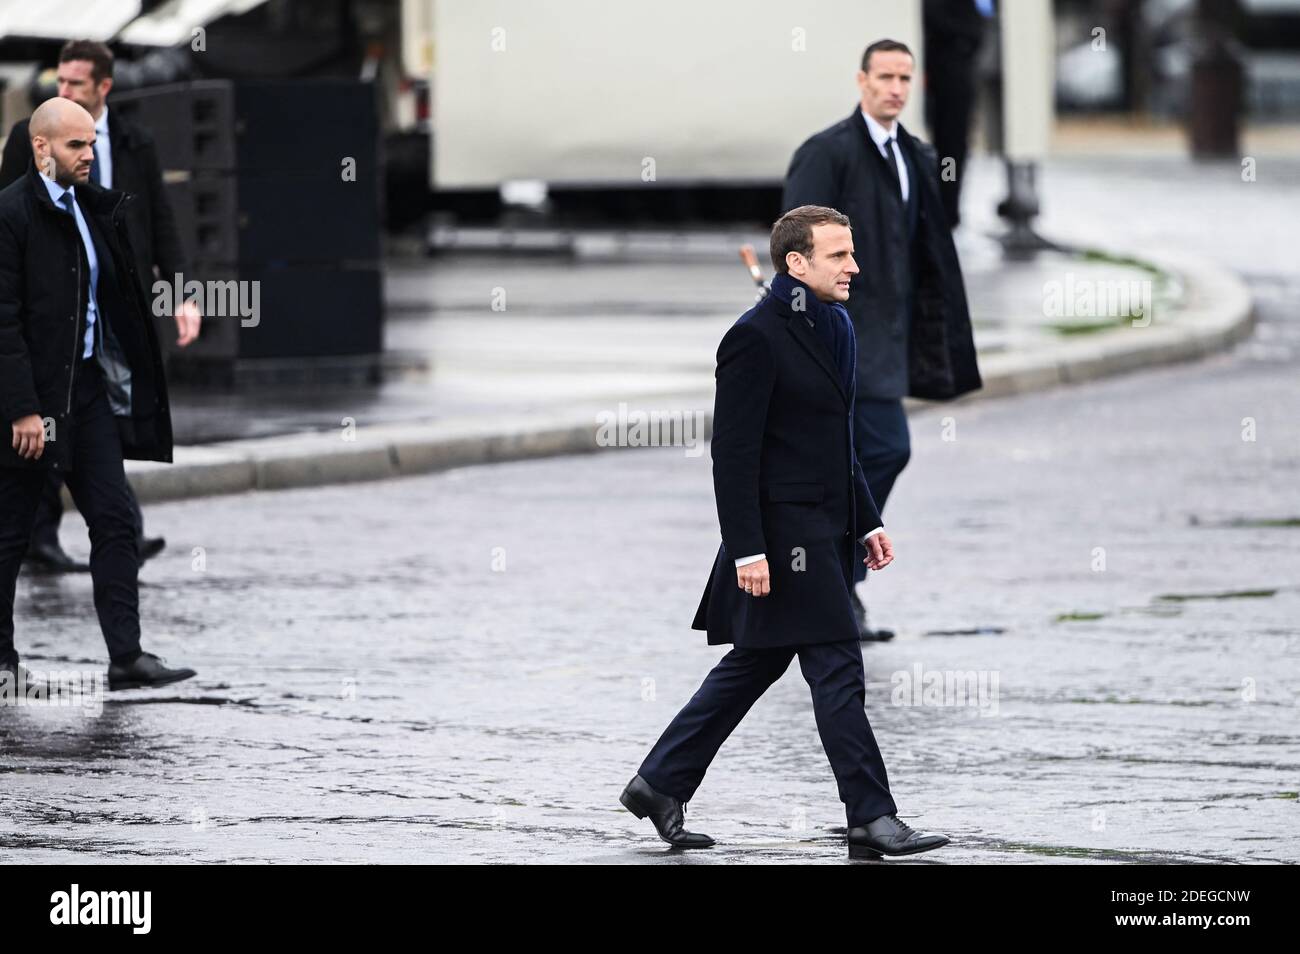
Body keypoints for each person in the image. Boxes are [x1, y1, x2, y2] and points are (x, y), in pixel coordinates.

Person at [620, 206, 949, 859]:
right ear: (796, 263)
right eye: (838, 255)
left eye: (852, 252)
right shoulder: (753, 337)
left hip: (827, 527)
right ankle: (871, 816)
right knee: (836, 665)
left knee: (756, 662)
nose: (854, 265)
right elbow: (733, 455)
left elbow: (835, 439)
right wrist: (747, 547)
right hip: (780, 537)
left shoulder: (836, 323)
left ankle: (658, 783)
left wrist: (867, 520)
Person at [782, 38, 980, 641]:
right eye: (884, 76)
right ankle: (832, 584)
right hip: (839, 336)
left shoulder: (916, 155)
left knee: (858, 461)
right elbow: (795, 247)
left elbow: (926, 245)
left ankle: (831, 586)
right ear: (861, 81)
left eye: (905, 78)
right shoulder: (827, 153)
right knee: (886, 449)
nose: (895, 88)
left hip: (891, 336)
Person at [0, 97, 195, 690]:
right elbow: (2, 320)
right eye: (75, 146)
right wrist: (23, 409)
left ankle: (127, 658)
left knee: (115, 521)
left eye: (90, 143)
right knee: (9, 534)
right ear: (41, 149)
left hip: (85, 393)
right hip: (35, 402)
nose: (89, 155)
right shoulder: (11, 215)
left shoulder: (93, 207)